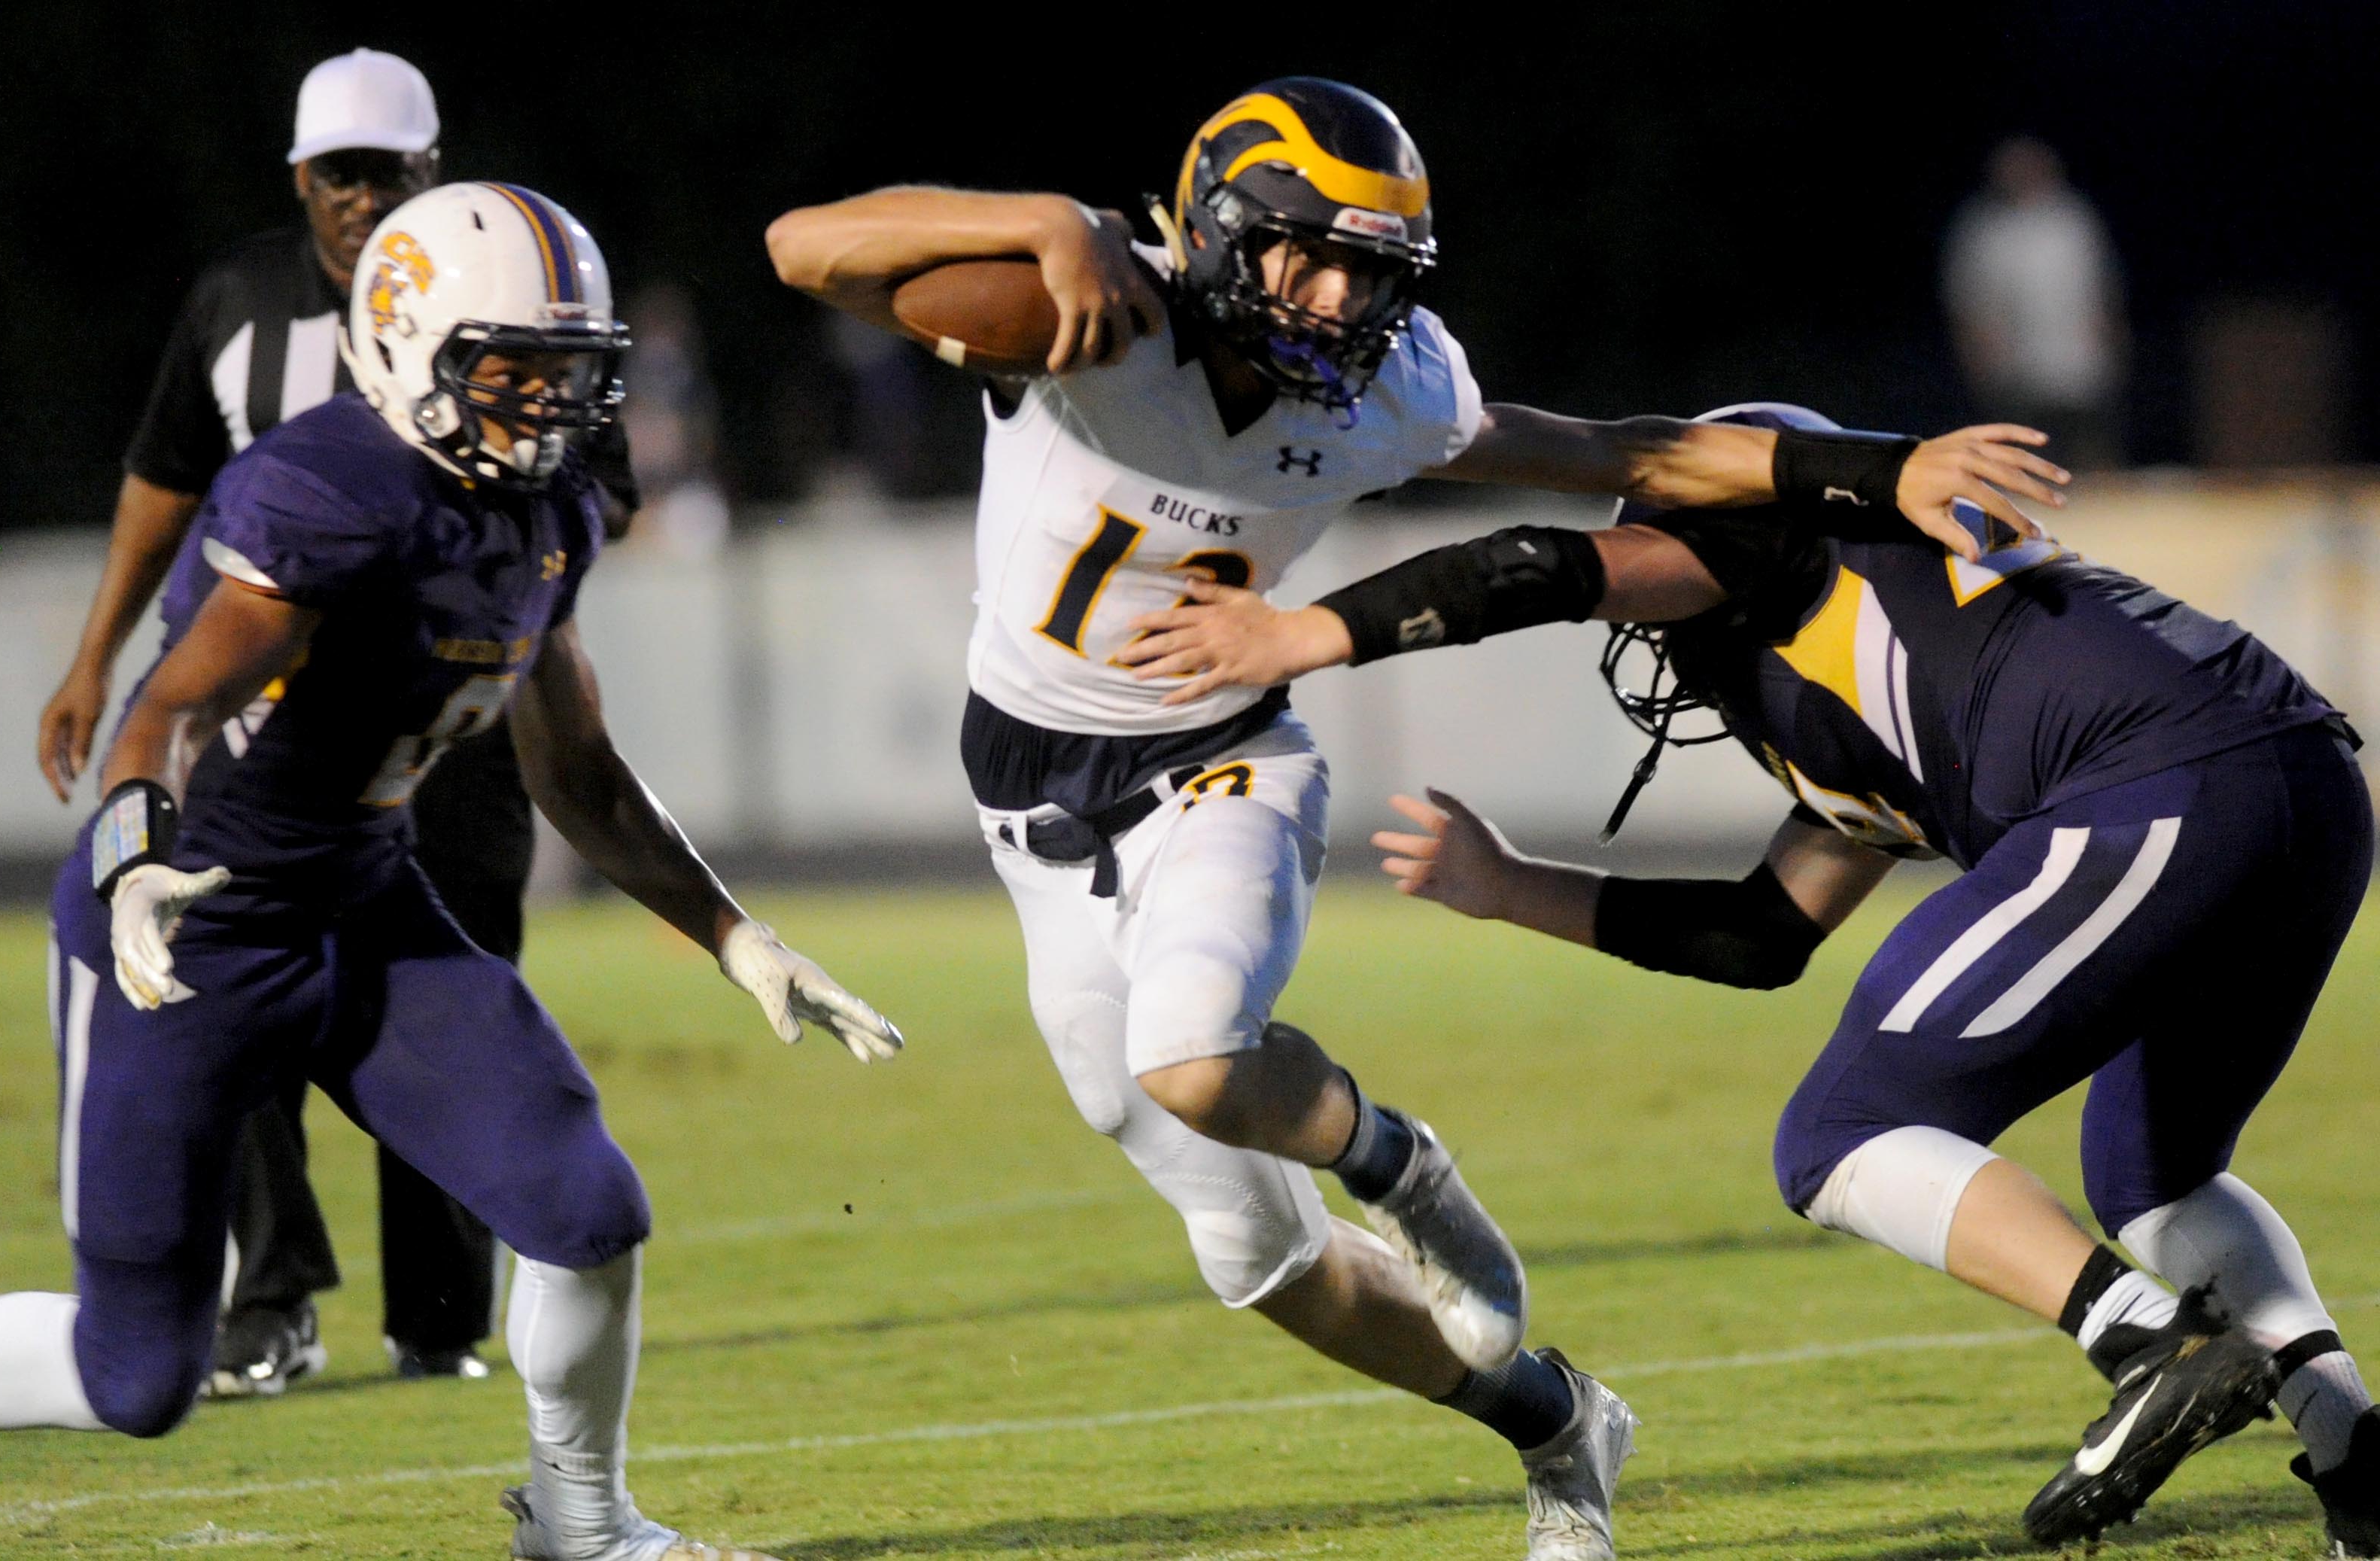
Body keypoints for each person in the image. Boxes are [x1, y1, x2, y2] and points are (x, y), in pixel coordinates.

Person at [766, 80, 2064, 1559]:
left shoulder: (1391, 393)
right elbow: (804, 244)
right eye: (1299, 253)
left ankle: (1397, 1163)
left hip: (1223, 760)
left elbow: (1621, 452)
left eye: (1367, 270)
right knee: (1255, 1259)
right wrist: (1039, 221)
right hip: (1027, 808)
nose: (1331, 299)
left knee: (1189, 1057)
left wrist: (1883, 468)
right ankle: (1557, 1420)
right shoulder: (1099, 315)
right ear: (1209, 229)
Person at [0, 182, 897, 1561]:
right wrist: (136, 857)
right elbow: (174, 709)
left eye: (568, 371)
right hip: (194, 923)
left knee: (586, 1208)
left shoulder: (545, 513)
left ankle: (584, 1523)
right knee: (132, 1376)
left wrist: (735, 933)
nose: (546, 403)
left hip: (366, 906)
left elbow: (583, 772)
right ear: (404, 342)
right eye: (509, 366)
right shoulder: (328, 490)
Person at [1117, 399, 2378, 1555]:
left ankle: (2145, 1342)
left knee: (1839, 1133)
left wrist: (1306, 632)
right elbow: (1760, 930)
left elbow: (1545, 570)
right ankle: (2358, 1456)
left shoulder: (1774, 542)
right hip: (2299, 787)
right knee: (2152, 1169)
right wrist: (1510, 886)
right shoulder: (1863, 662)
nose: (1647, 620)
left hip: (2160, 784)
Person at [35, 47, 637, 1392]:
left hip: (431, 741)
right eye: (342, 171)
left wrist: (733, 930)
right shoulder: (263, 352)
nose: (364, 194)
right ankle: (271, 1297)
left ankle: (448, 1328)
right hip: (268, 751)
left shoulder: (523, 374)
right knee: (136, 1353)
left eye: (390, 170)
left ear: (432, 171)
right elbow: (165, 511)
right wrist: (104, 692)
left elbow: (583, 741)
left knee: (537, 1112)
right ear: (303, 180)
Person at [1943, 137, 2128, 468]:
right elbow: (1971, 301)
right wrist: (1981, 354)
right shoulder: (1986, 229)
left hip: (2077, 358)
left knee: (2090, 439)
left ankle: (2104, 505)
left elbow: (2100, 287)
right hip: (2017, 364)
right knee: (2025, 444)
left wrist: (2110, 340)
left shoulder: (2073, 220)